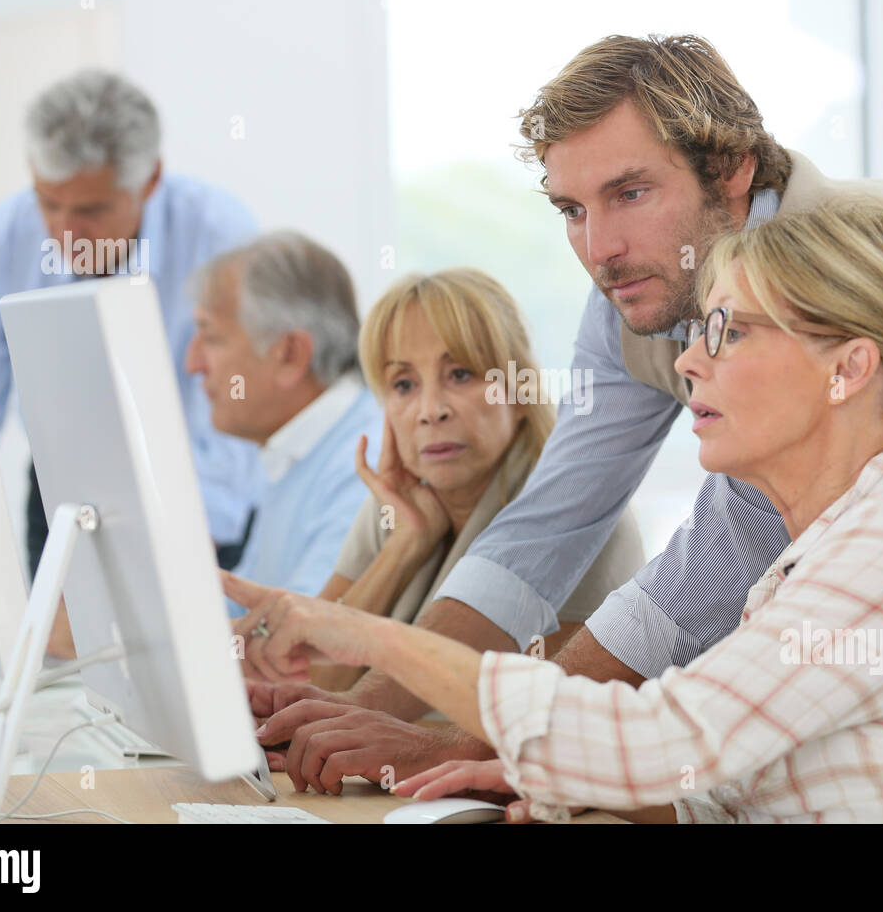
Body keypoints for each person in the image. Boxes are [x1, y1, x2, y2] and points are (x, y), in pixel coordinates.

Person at [252, 33, 883, 785]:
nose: (599, 246)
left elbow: (698, 587)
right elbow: (542, 531)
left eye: (629, 193)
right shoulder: (644, 289)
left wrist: (475, 751)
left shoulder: (867, 283)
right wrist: (371, 714)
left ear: (732, 172)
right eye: (569, 209)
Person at [230, 197, 883, 823]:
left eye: (728, 332)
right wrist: (551, 779)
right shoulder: (819, 552)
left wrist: (366, 638)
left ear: (848, 370)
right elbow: (724, 791)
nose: (689, 360)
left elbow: (668, 741)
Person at [0, 70, 262, 655]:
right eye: (48, 201)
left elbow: (241, 416)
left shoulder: (223, 237)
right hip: (62, 496)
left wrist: (182, 548)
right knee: (65, 683)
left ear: (151, 180)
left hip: (200, 495)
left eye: (91, 209)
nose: (65, 230)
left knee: (198, 684)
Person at [235, 268, 642, 699]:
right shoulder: (397, 505)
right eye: (404, 384)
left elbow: (516, 719)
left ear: (521, 392)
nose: (431, 410)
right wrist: (404, 547)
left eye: (461, 375)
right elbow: (310, 681)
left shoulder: (579, 512)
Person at [186, 232, 383, 614]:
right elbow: (241, 612)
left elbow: (301, 642)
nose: (193, 364)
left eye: (210, 338)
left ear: (290, 355)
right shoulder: (294, 450)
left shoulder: (364, 463)